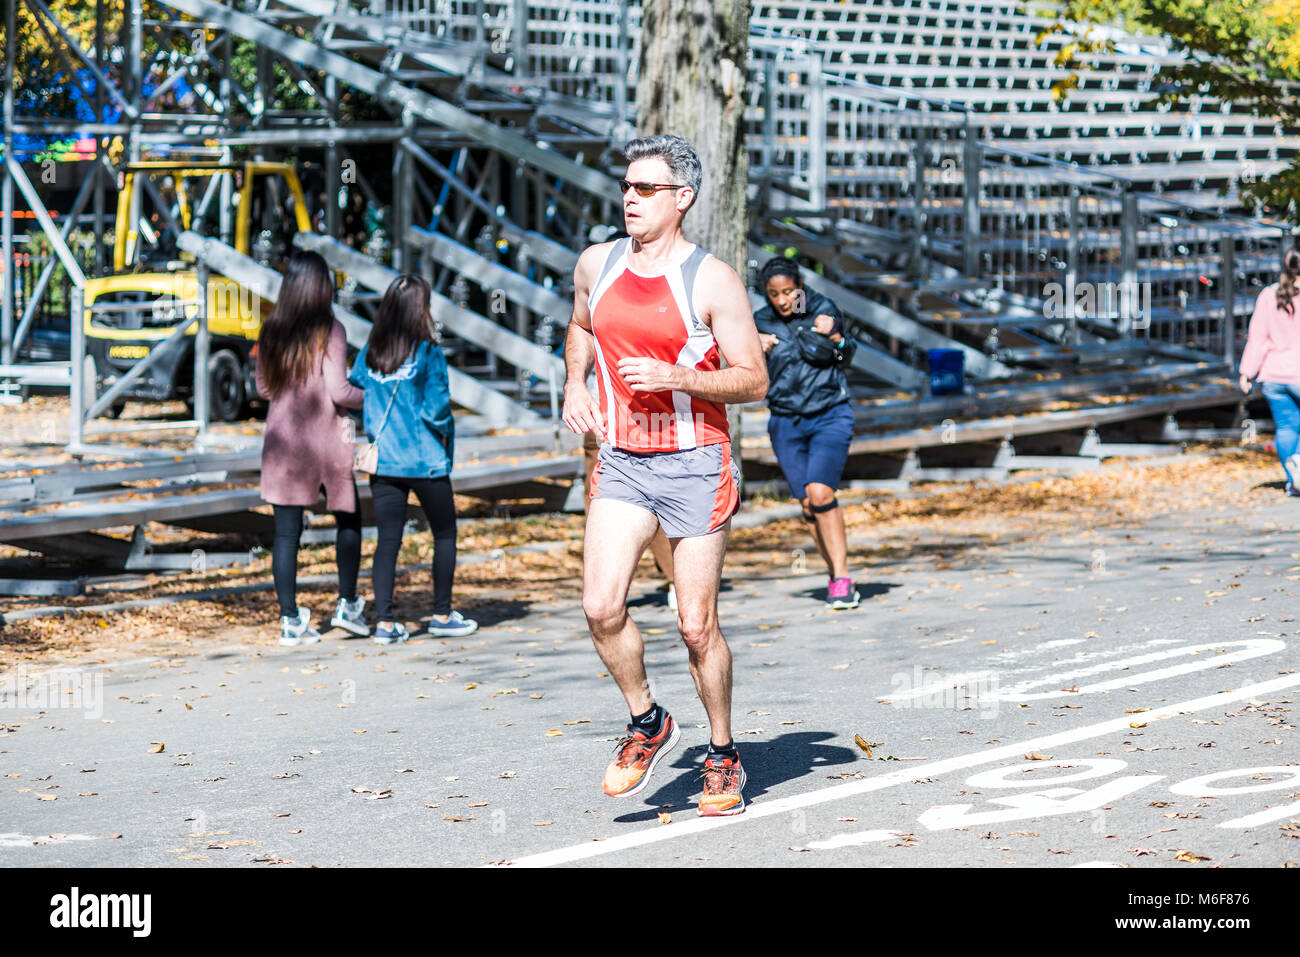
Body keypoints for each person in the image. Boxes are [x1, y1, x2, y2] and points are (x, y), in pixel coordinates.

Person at [562, 134, 768, 817]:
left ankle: (722, 751)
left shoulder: (710, 279)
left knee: (695, 624)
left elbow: (753, 377)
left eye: (646, 188)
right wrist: (573, 382)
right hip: (622, 460)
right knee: (600, 605)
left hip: (693, 462)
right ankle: (648, 721)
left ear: (682, 198)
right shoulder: (598, 262)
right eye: (626, 185)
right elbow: (580, 325)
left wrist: (680, 375)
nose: (629, 197)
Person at [350, 274, 478, 643]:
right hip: (426, 460)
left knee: (388, 540)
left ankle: (385, 623)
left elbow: (357, 388)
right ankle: (441, 614)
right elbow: (437, 408)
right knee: (444, 534)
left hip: (385, 462)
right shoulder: (428, 353)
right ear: (420, 309)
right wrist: (445, 430)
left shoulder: (369, 353)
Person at [256, 249, 368, 645]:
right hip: (326, 443)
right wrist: (368, 394)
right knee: (348, 520)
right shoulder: (331, 330)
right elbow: (339, 390)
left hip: (283, 444)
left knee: (286, 533)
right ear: (322, 287)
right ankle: (348, 604)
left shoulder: (271, 328)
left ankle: (289, 620)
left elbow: (264, 388)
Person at [754, 256, 861, 608]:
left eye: (788, 292)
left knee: (819, 492)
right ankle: (835, 575)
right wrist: (755, 346)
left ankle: (843, 576)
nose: (782, 300)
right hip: (785, 420)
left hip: (829, 413)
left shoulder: (822, 308)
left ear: (799, 287)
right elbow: (739, 368)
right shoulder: (759, 322)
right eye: (774, 294)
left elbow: (848, 356)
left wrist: (837, 336)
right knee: (806, 503)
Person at [1240, 246, 1300, 494]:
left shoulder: (1269, 294)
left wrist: (1246, 372)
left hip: (1273, 375)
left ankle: (1293, 480)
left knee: (1286, 427)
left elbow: (1258, 338)